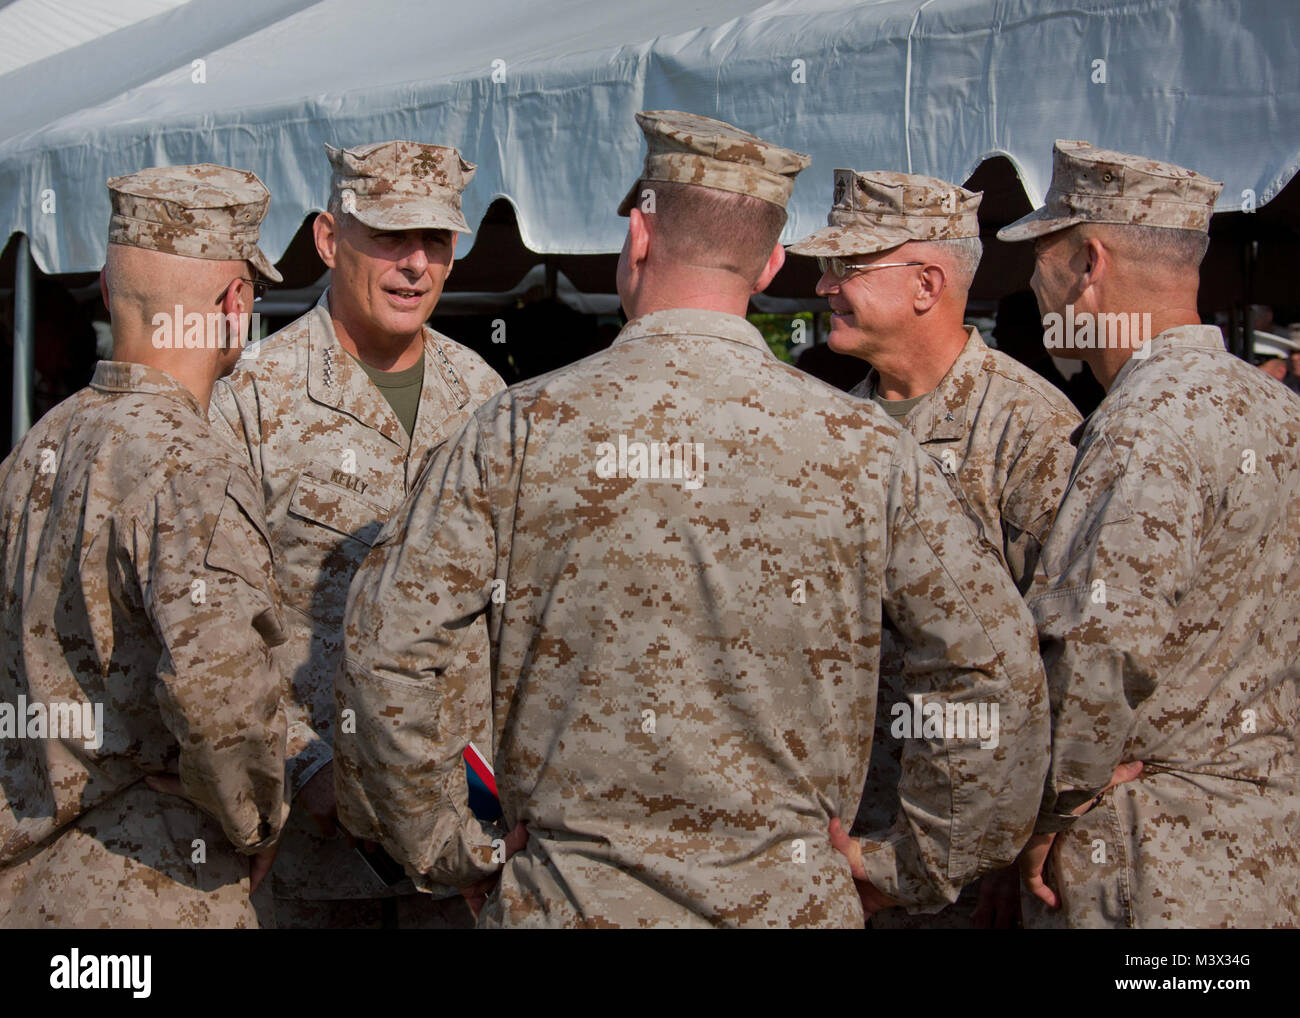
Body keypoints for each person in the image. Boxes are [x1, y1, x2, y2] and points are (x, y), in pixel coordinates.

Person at [334, 110, 1050, 928]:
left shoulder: (515, 429)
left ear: (640, 235)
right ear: (773, 261)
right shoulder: (869, 450)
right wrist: (915, 864)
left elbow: (388, 648)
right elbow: (994, 669)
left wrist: (451, 845)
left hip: (564, 902)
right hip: (790, 905)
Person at [999, 139, 1300, 927]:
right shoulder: (1279, 413)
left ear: (1090, 265)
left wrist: (1047, 812)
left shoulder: (1143, 425)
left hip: (1147, 865)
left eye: (1042, 268)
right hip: (1263, 848)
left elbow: (1100, 644)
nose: (1037, 295)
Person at [209, 140, 506, 928]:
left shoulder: (484, 395)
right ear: (328, 239)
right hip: (317, 856)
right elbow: (217, 622)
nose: (415, 264)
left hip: (459, 846)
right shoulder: (251, 399)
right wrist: (303, 771)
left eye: (435, 242)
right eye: (389, 237)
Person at [788, 170, 1080, 928]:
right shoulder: (824, 426)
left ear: (926, 284)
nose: (824, 286)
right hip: (828, 844)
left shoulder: (1030, 431)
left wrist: (1024, 836)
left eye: (847, 269)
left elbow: (1068, 647)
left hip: (961, 858)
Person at [0, 164, 290, 927]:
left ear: (105, 289)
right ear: (235, 304)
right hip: (150, 890)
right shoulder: (192, 466)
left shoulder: (37, 447)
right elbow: (221, 695)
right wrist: (254, 819)